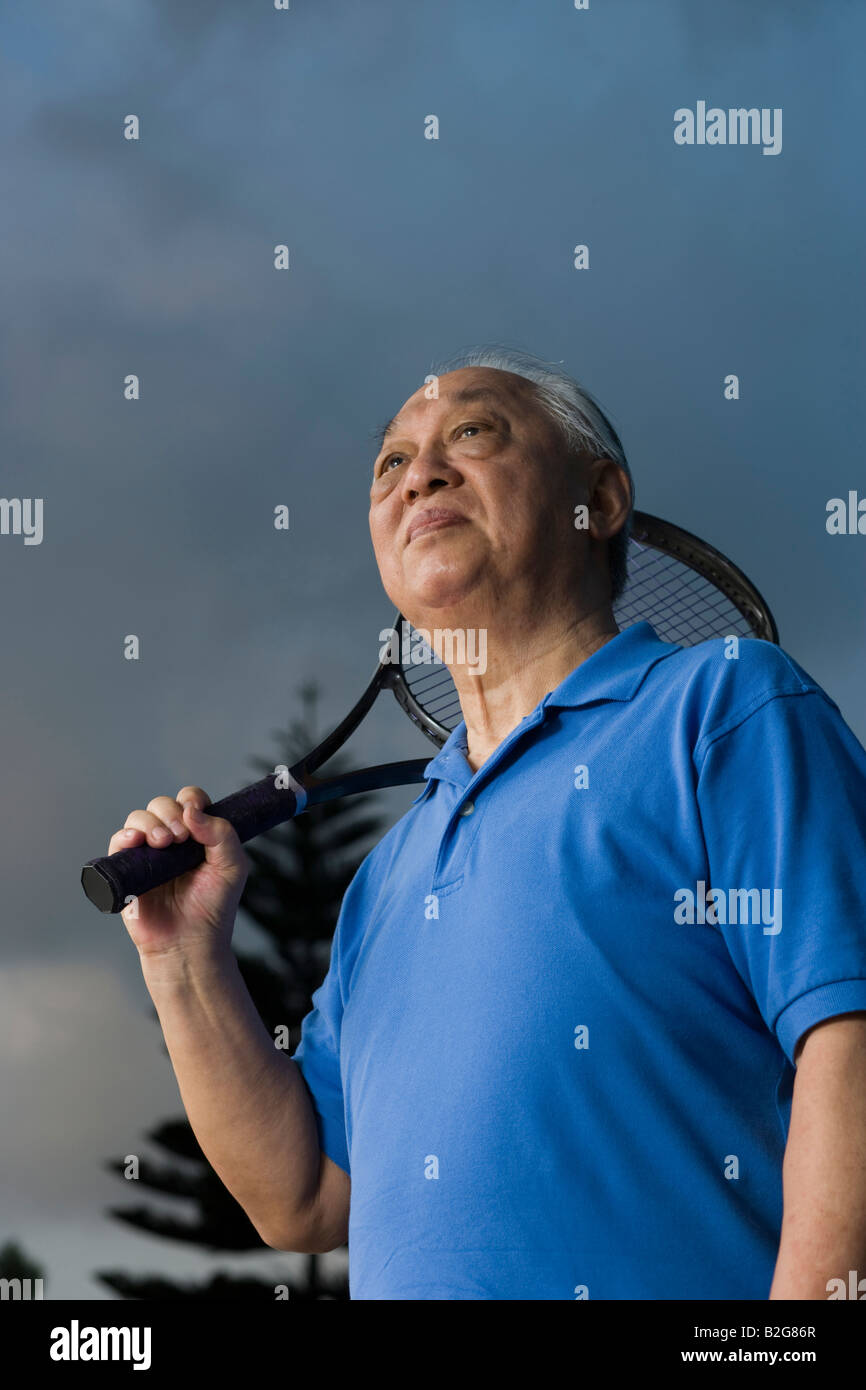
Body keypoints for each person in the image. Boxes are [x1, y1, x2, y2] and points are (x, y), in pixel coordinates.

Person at [107, 346, 866, 1300]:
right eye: (391, 462)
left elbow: (852, 1040)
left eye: (472, 432)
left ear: (602, 497)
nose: (418, 471)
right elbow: (302, 1196)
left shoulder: (725, 706)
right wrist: (184, 964)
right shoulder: (387, 880)